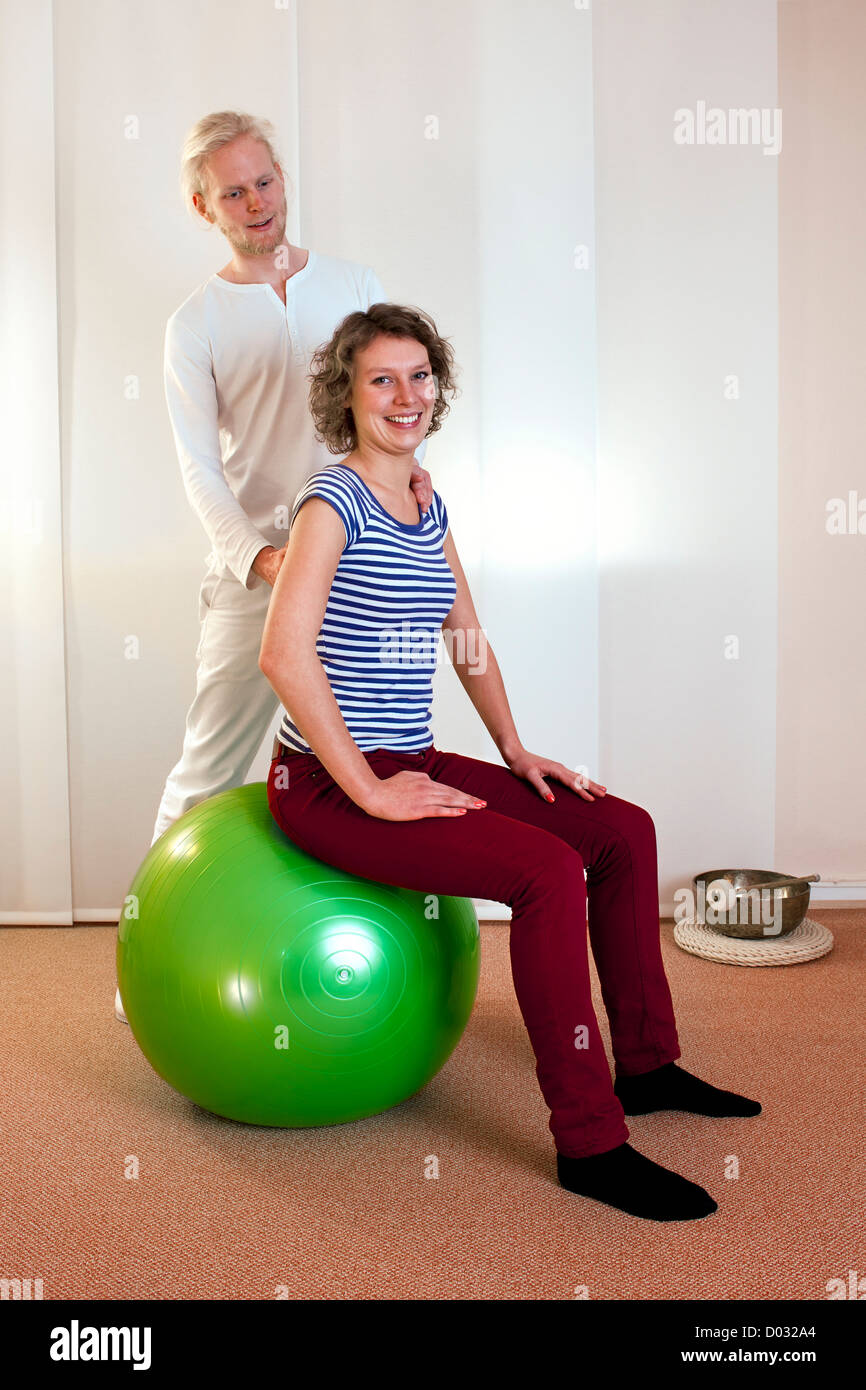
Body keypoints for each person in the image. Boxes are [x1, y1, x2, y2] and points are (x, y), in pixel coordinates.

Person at [260, 302, 762, 1224]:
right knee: (545, 871)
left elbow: (466, 634)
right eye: (382, 379)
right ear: (347, 394)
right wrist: (369, 792)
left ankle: (647, 1066)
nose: (406, 396)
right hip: (328, 784)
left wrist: (515, 751)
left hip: (409, 756)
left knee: (619, 830)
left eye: (420, 376)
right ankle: (590, 1142)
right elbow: (283, 656)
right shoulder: (330, 505)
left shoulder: (425, 497)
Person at [115, 110, 431, 1023]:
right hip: (258, 576)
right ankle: (148, 961)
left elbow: (392, 400)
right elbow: (197, 469)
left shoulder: (354, 282)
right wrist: (260, 558)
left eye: (266, 181)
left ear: (283, 179)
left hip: (367, 574)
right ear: (201, 205)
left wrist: (411, 482)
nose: (257, 203)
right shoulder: (195, 324)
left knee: (375, 763)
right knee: (204, 774)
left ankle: (388, 966)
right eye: (234, 192)